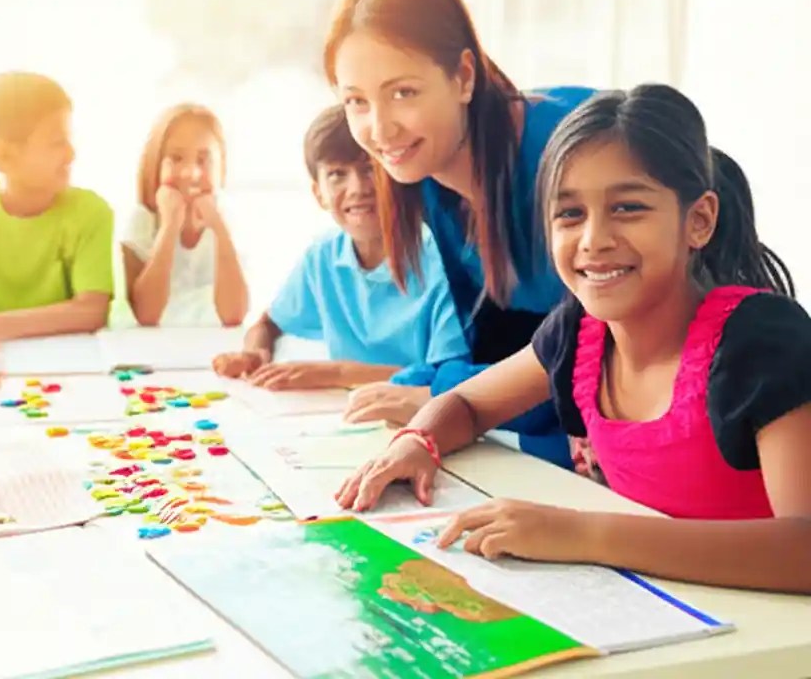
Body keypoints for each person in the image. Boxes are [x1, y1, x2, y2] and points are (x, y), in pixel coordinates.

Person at [337, 85, 811, 594]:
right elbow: (468, 405)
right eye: (570, 214)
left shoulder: (760, 341)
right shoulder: (579, 333)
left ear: (698, 221)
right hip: (663, 611)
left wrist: (583, 532)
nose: (594, 240)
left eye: (628, 207)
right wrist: (417, 442)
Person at [326, 0, 596, 463]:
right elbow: (490, 338)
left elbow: (591, 363)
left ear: (463, 76)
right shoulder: (426, 176)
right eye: (356, 102)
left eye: (402, 92)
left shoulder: (570, 152)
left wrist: (440, 397)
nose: (379, 129)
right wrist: (418, 384)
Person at [213, 105, 467, 397]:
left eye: (370, 169)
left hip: (427, 415)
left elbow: (452, 379)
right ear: (318, 193)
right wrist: (255, 353)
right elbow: (268, 323)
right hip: (350, 413)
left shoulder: (440, 260)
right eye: (336, 174)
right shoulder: (323, 257)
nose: (358, 188)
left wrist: (338, 373)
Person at [0, 71, 114, 349]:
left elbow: (93, 311)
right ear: (4, 155)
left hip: (77, 360)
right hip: (0, 364)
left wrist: (2, 325)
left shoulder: (91, 213)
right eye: (57, 143)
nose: (71, 154)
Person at [121, 103, 248, 327]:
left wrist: (218, 227)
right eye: (176, 159)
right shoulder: (143, 221)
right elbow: (146, 315)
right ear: (155, 165)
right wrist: (170, 227)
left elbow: (234, 315)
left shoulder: (228, 219)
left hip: (211, 345)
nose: (191, 173)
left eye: (203, 160)